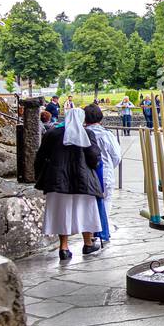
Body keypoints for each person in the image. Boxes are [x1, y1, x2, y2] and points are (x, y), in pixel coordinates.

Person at [34, 107, 103, 262]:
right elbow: (94, 157)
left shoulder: (52, 134)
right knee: (86, 211)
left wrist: (40, 177)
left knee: (61, 213)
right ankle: (87, 243)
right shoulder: (87, 134)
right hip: (83, 180)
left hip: (58, 180)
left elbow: (40, 156)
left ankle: (64, 248)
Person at [83, 104, 122, 241]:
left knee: (89, 203)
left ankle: (91, 232)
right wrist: (110, 166)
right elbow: (116, 155)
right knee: (106, 200)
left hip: (86, 174)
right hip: (105, 172)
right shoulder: (106, 135)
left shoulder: (82, 135)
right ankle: (102, 230)